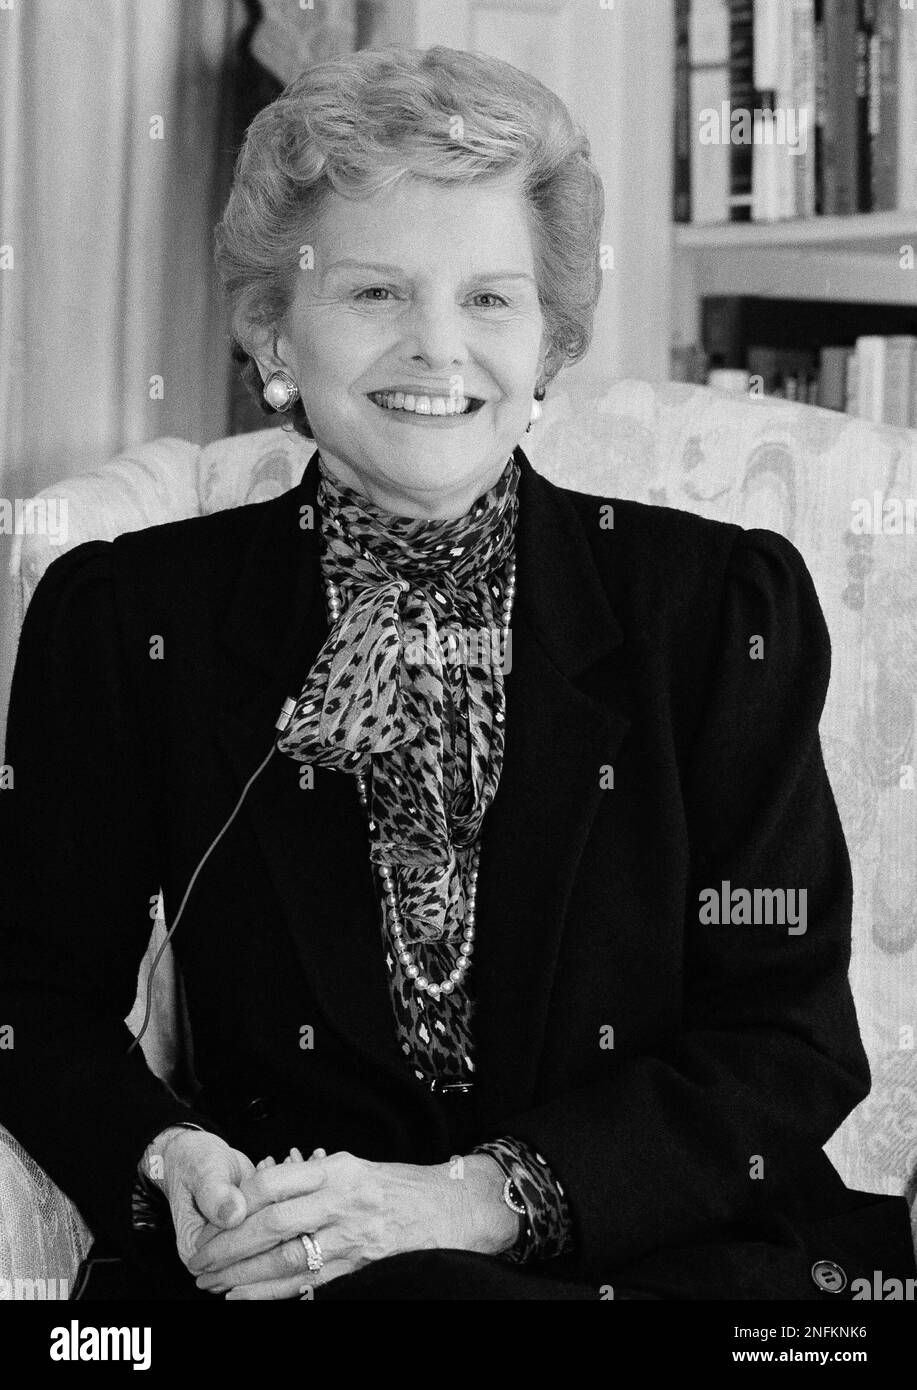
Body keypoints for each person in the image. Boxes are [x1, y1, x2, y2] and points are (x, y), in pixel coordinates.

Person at [1, 45, 913, 1302]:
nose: (438, 350)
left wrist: (472, 1202)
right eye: (374, 292)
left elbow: (788, 1041)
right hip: (296, 1269)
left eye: (489, 300)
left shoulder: (714, 612)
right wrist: (171, 1162)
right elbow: (31, 1002)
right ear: (274, 328)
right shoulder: (125, 621)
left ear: (547, 342)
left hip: (665, 1258)